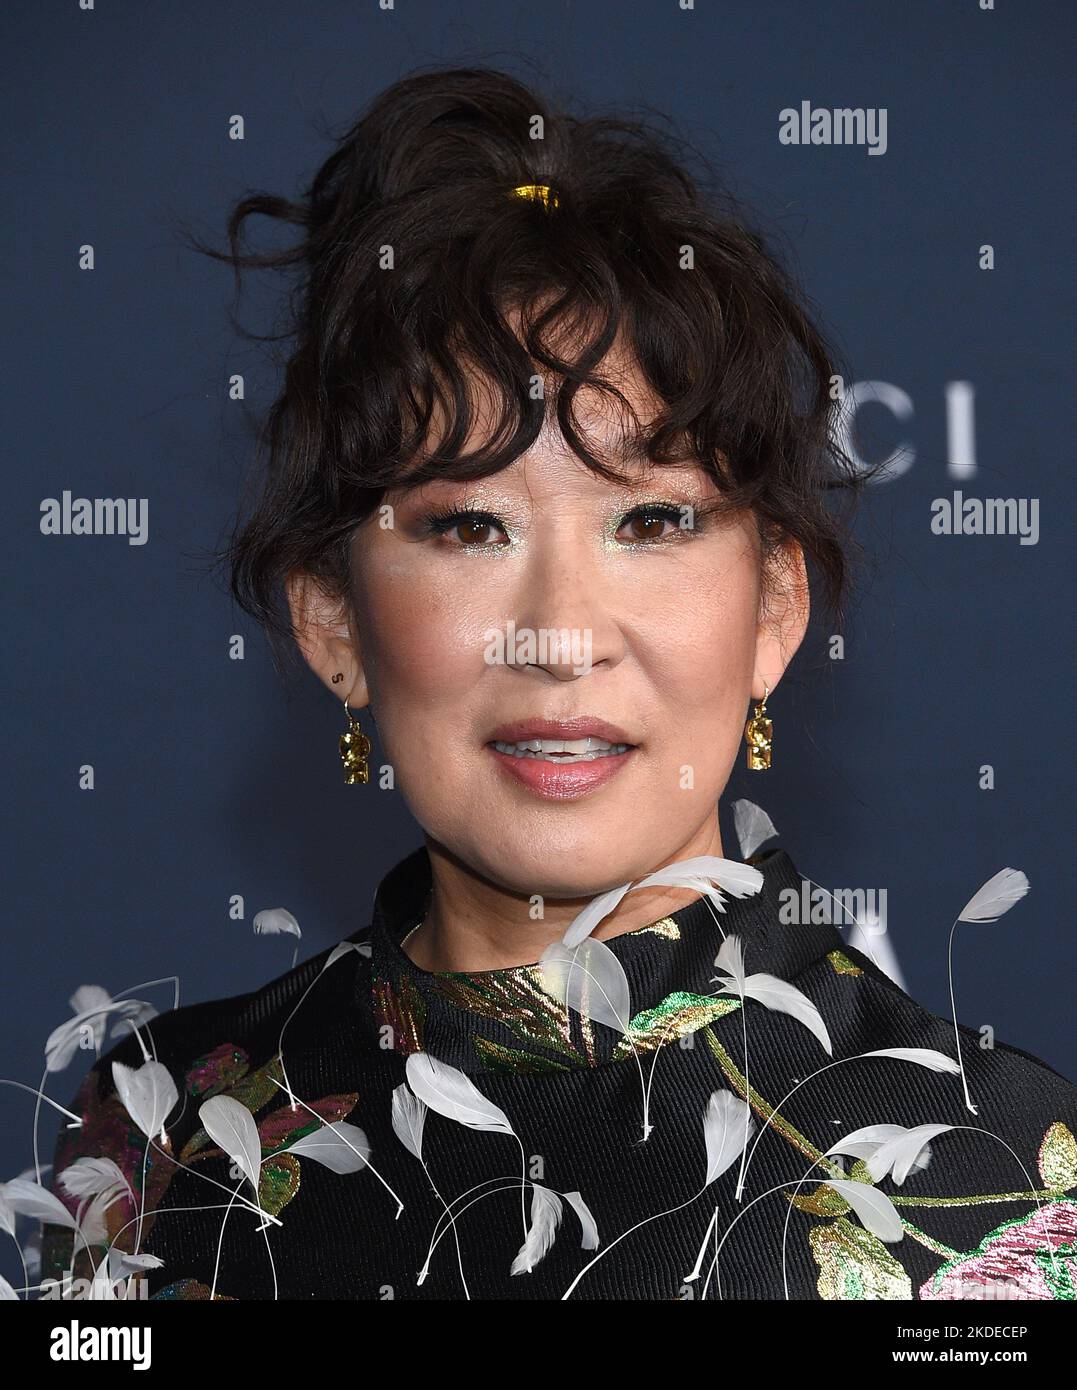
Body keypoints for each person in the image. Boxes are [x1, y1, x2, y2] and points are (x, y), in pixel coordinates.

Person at [37, 66, 1075, 1301]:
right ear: (334, 623)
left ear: (775, 610)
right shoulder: (158, 1136)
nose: (562, 635)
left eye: (651, 520)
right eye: (470, 528)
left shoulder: (999, 1178)